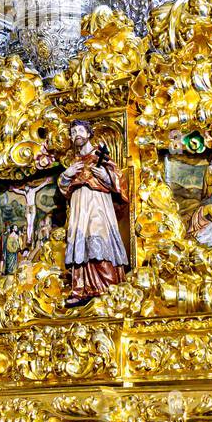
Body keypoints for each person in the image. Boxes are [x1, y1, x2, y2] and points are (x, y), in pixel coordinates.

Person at [57, 120, 128, 306]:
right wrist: (66, 174)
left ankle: (107, 286)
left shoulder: (99, 155)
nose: (77, 134)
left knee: (97, 238)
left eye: (81, 130)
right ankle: (82, 288)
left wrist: (105, 176)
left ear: (89, 134)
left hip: (97, 204)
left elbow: (118, 178)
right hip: (79, 207)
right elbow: (64, 189)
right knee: (81, 242)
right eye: (73, 132)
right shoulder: (74, 163)